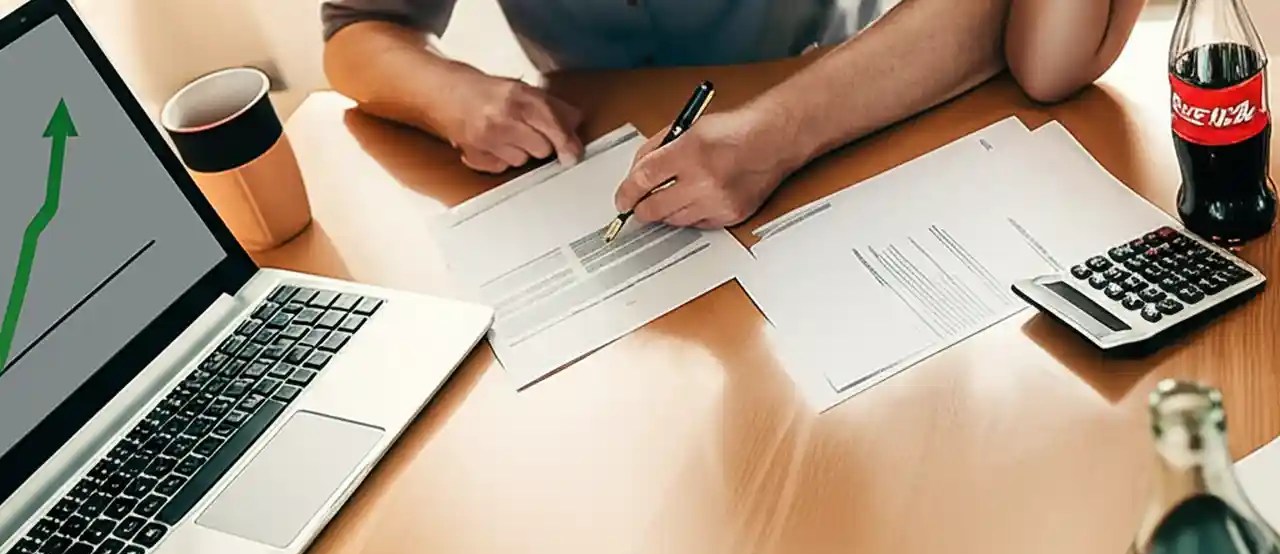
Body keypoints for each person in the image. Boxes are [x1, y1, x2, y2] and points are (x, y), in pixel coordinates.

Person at [322, 0, 1147, 229]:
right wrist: (450, 92)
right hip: (599, 160)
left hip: (846, 114)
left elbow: (987, 14)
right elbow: (357, 29)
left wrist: (777, 132)